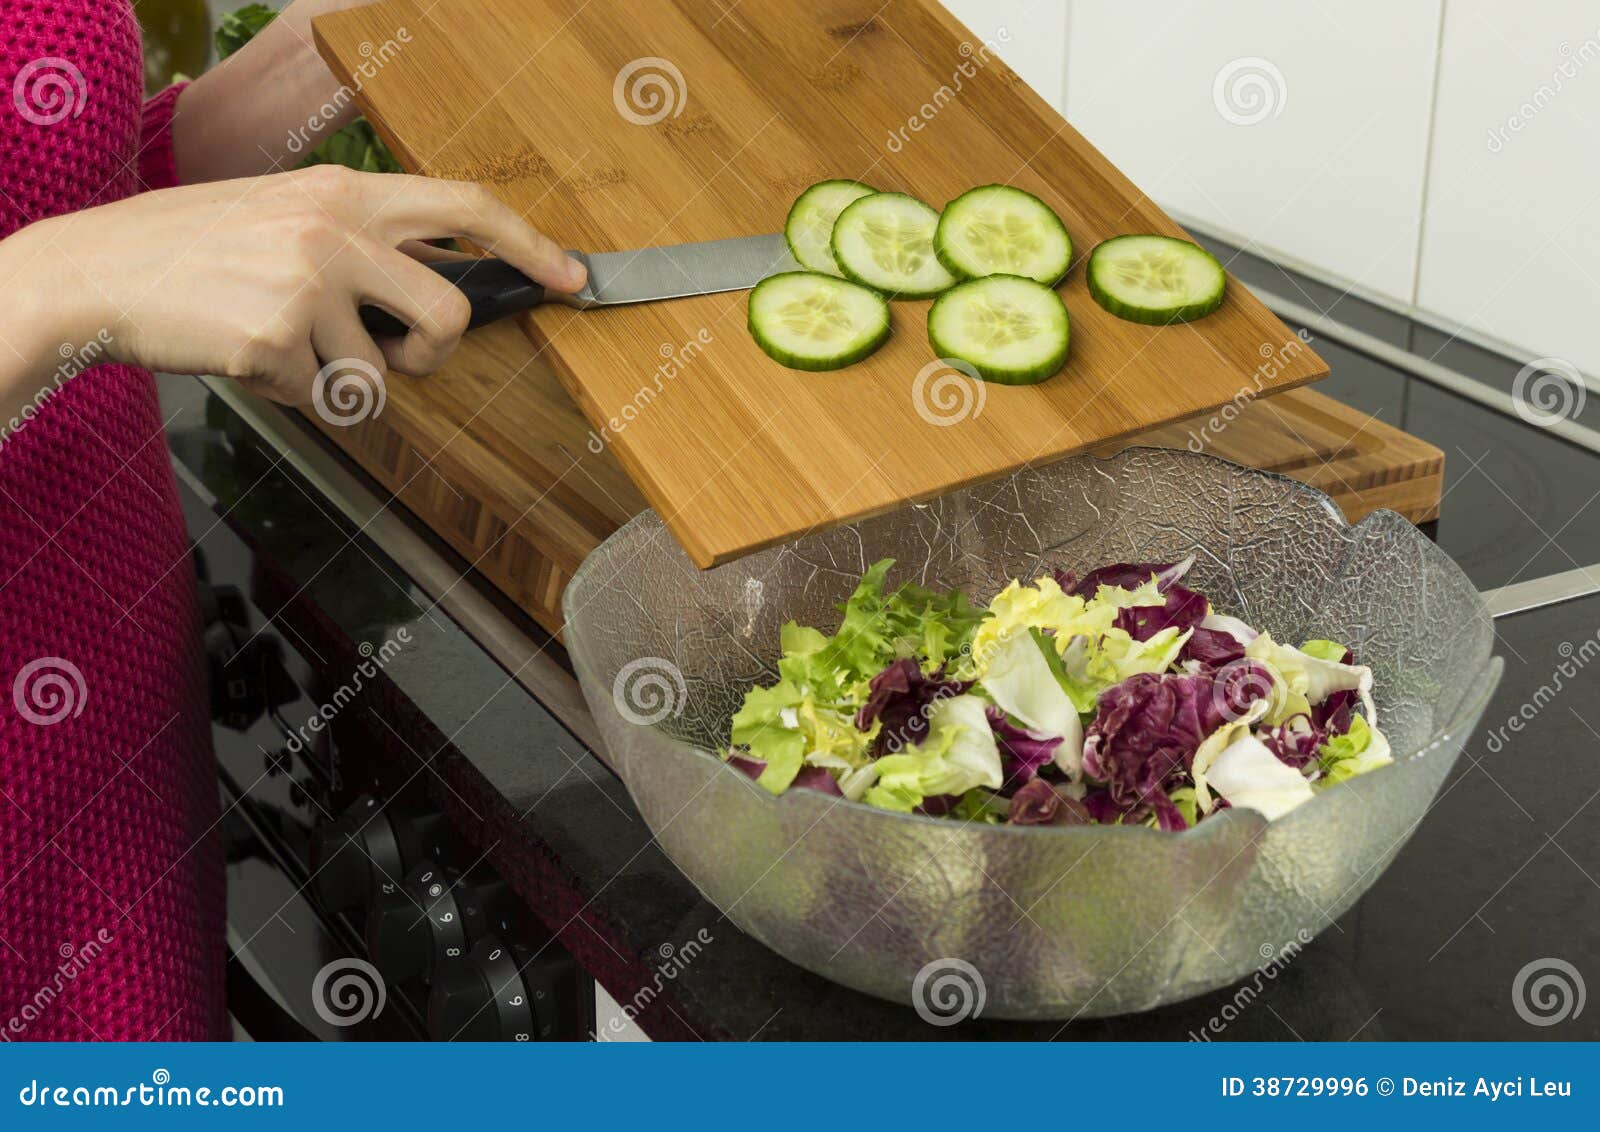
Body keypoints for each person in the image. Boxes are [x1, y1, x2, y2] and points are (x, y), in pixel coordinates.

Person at [0, 0, 583, 1040]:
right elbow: (52, 263)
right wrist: (58, 283)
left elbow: (50, 184)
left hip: (115, 782)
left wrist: (340, 40)